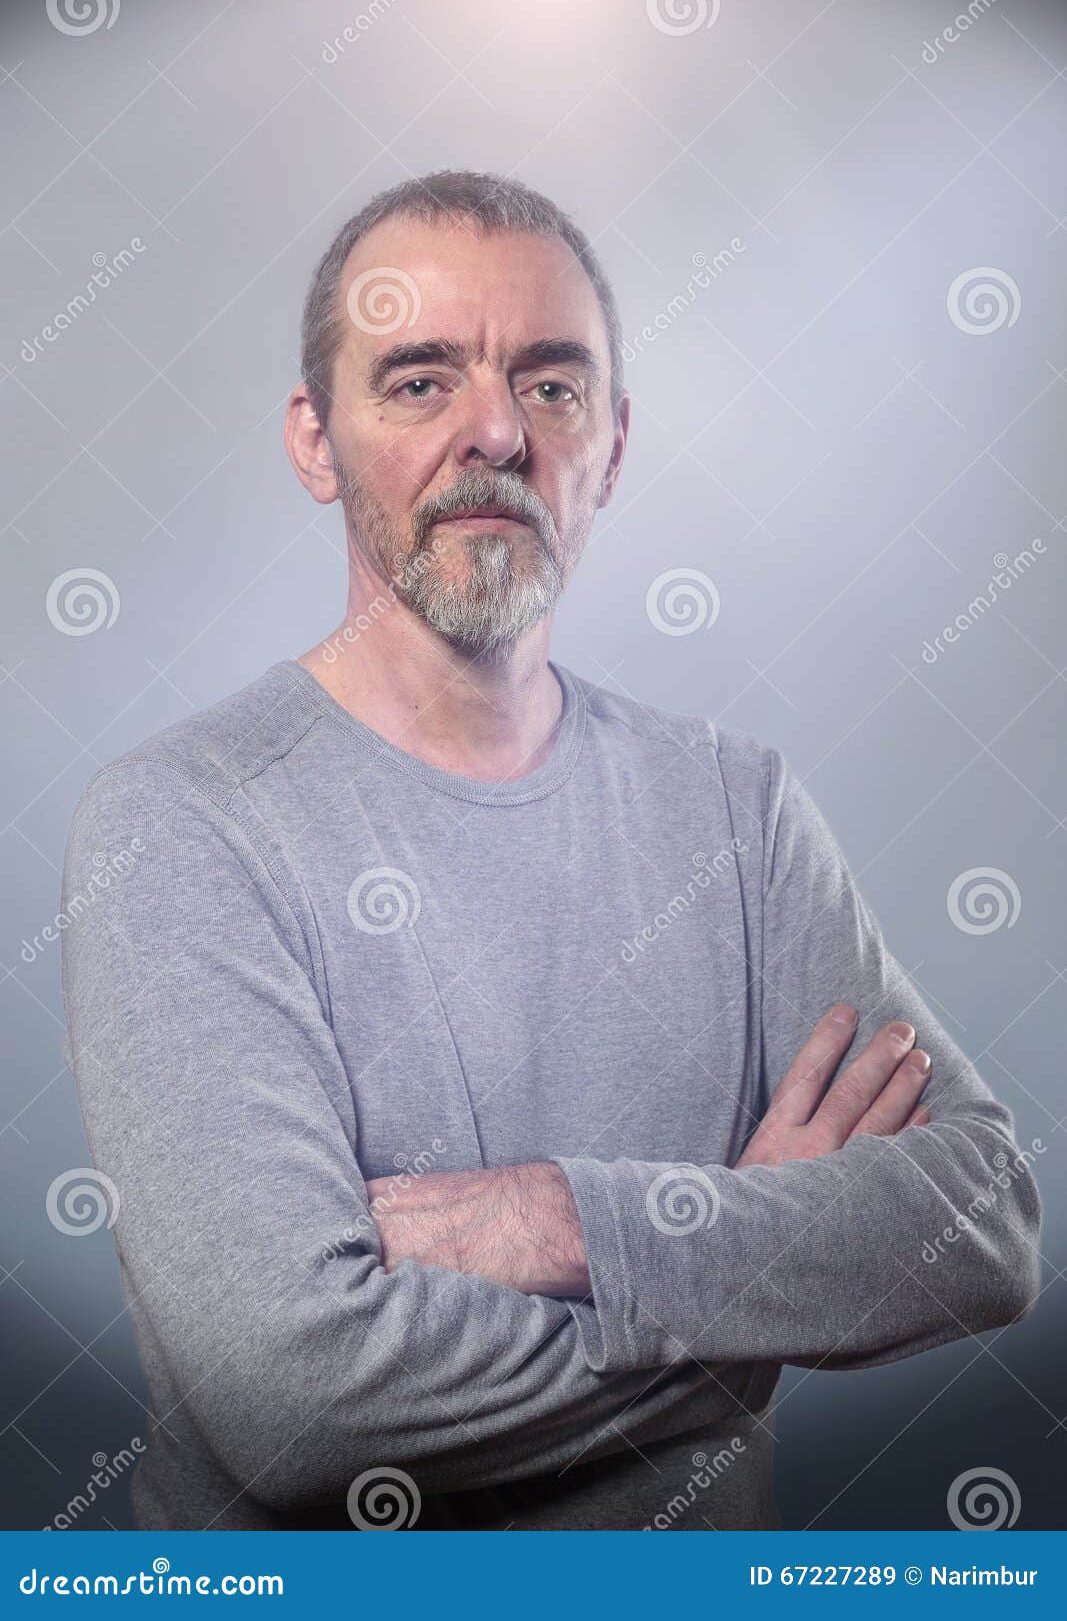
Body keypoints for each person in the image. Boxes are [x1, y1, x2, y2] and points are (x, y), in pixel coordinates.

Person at [60, 169, 1041, 1532]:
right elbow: (294, 1402)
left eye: (553, 384)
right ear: (316, 441)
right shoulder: (182, 821)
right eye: (417, 381)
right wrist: (739, 1275)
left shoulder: (735, 808)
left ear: (615, 444)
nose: (497, 433)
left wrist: (556, 1219)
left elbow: (981, 1220)